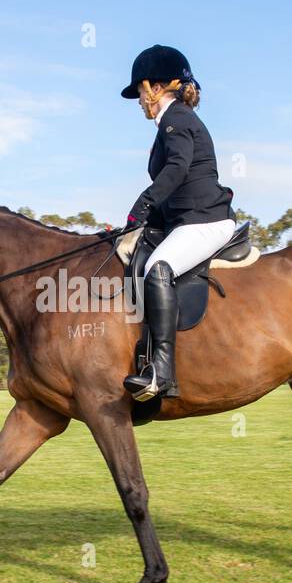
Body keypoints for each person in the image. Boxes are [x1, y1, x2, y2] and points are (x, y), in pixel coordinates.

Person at [119, 45, 236, 401]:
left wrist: (142, 205)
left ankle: (162, 372)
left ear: (156, 87)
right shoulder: (170, 122)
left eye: (139, 91)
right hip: (186, 220)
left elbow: (177, 169)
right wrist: (136, 224)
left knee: (158, 267)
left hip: (205, 221)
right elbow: (175, 185)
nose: (138, 99)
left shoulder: (177, 119)